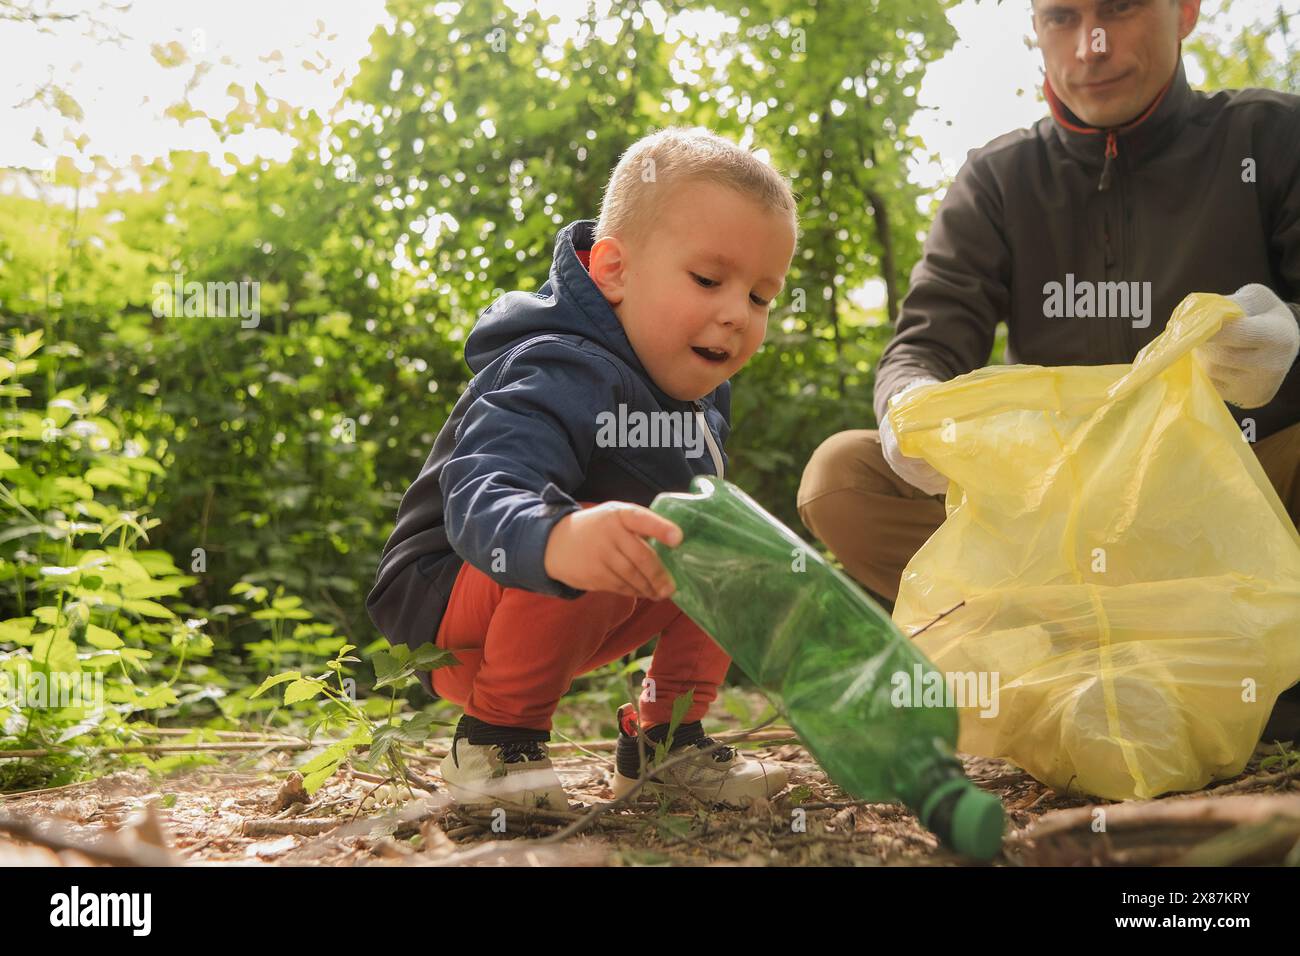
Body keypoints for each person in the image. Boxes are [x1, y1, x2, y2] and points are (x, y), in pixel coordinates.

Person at [797, 0, 1300, 737]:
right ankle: (1091, 663)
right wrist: (911, 405)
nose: (1090, 46)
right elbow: (926, 339)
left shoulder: (1273, 136)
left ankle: (1250, 664)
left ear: (1185, 10)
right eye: (1062, 16)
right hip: (1055, 518)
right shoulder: (999, 178)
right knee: (842, 476)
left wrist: (1285, 341)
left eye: (1119, 9)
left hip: (1246, 497)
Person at [367, 127, 798, 809]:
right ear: (614, 270)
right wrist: (558, 539)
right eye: (709, 279)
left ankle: (665, 747)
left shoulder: (699, 397)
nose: (734, 314)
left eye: (760, 296)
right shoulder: (556, 365)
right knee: (598, 525)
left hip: (571, 608)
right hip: (453, 603)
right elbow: (481, 490)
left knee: (724, 537)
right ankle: (496, 746)